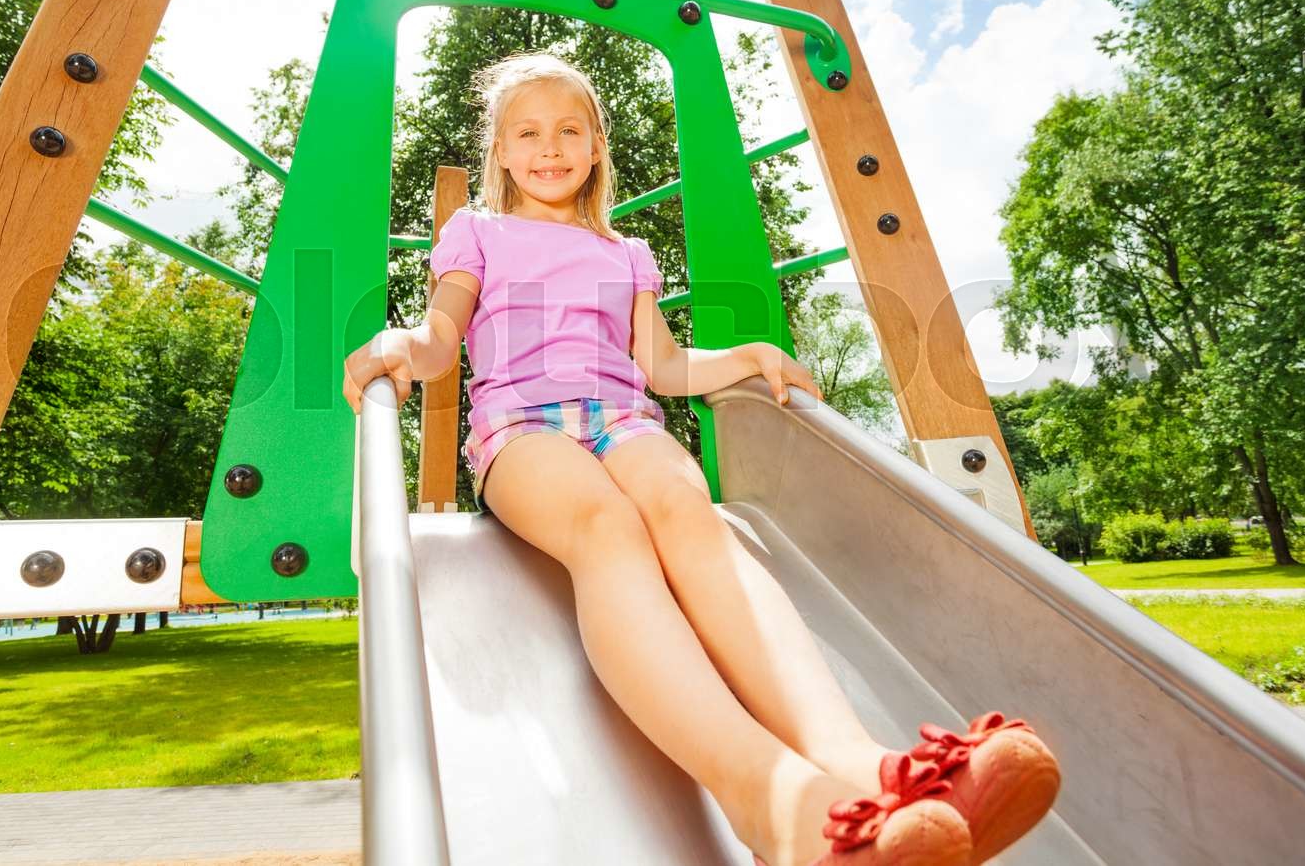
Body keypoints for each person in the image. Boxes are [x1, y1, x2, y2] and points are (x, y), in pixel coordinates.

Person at [342, 52, 1059, 866]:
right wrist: (403, 343)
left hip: (623, 418)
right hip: (522, 429)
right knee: (606, 525)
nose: (550, 148)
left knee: (691, 513)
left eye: (570, 130)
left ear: (597, 147)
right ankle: (771, 801)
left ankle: (864, 765)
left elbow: (664, 366)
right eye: (528, 133)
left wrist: (747, 355)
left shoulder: (625, 252)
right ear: (500, 151)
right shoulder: (478, 231)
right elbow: (441, 339)